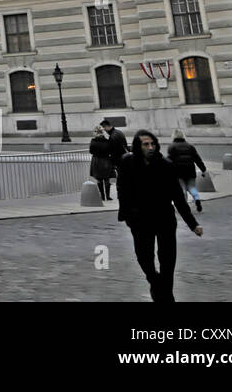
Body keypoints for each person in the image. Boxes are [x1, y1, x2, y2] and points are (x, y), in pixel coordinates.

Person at [117, 129, 203, 302]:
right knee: (144, 259)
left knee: (168, 262)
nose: (150, 147)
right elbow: (122, 190)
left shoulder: (166, 165)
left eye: (152, 144)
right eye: (145, 144)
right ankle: (156, 283)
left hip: (165, 219)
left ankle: (166, 297)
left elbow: (178, 197)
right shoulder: (128, 163)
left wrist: (193, 224)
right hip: (139, 221)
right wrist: (126, 215)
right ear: (137, 146)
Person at [168, 129, 207, 213]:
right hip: (190, 170)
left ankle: (184, 206)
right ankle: (197, 198)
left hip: (178, 171)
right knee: (192, 187)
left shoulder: (171, 147)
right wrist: (203, 169)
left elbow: (169, 160)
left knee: (182, 188)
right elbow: (197, 159)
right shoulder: (190, 146)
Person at [89, 125, 115, 200]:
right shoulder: (107, 141)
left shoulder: (93, 141)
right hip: (106, 160)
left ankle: (102, 196)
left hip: (96, 161)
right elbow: (110, 151)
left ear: (95, 132)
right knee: (107, 179)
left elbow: (91, 151)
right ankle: (108, 196)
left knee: (99, 179)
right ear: (102, 132)